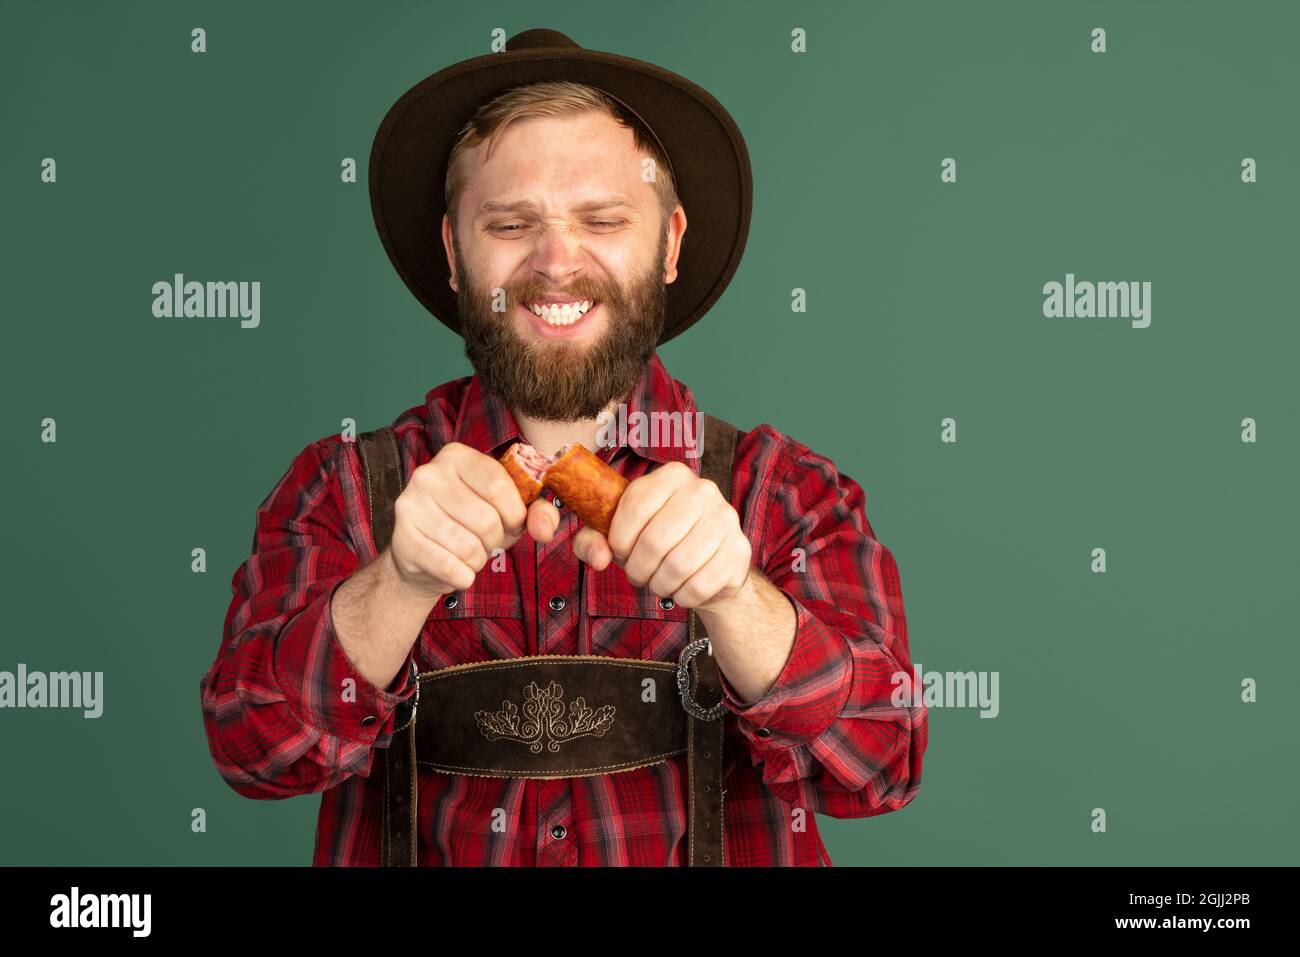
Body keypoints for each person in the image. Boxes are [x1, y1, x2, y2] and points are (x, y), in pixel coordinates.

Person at [199, 28, 927, 866]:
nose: (555, 262)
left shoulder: (787, 493)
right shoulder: (346, 490)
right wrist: (396, 585)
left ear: (670, 245)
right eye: (510, 223)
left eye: (603, 219)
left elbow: (884, 765)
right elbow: (249, 750)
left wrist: (737, 599)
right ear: (452, 252)